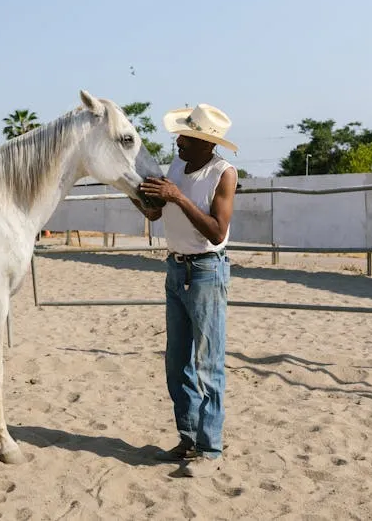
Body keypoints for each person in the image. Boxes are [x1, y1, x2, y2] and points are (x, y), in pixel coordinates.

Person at [130, 103, 238, 478]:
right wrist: (139, 195)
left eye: (186, 137)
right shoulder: (178, 167)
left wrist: (178, 196)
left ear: (206, 144)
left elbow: (216, 232)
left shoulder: (222, 173)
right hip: (176, 269)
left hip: (206, 272)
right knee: (176, 362)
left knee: (208, 364)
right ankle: (188, 438)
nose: (178, 141)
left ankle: (210, 449)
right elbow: (157, 214)